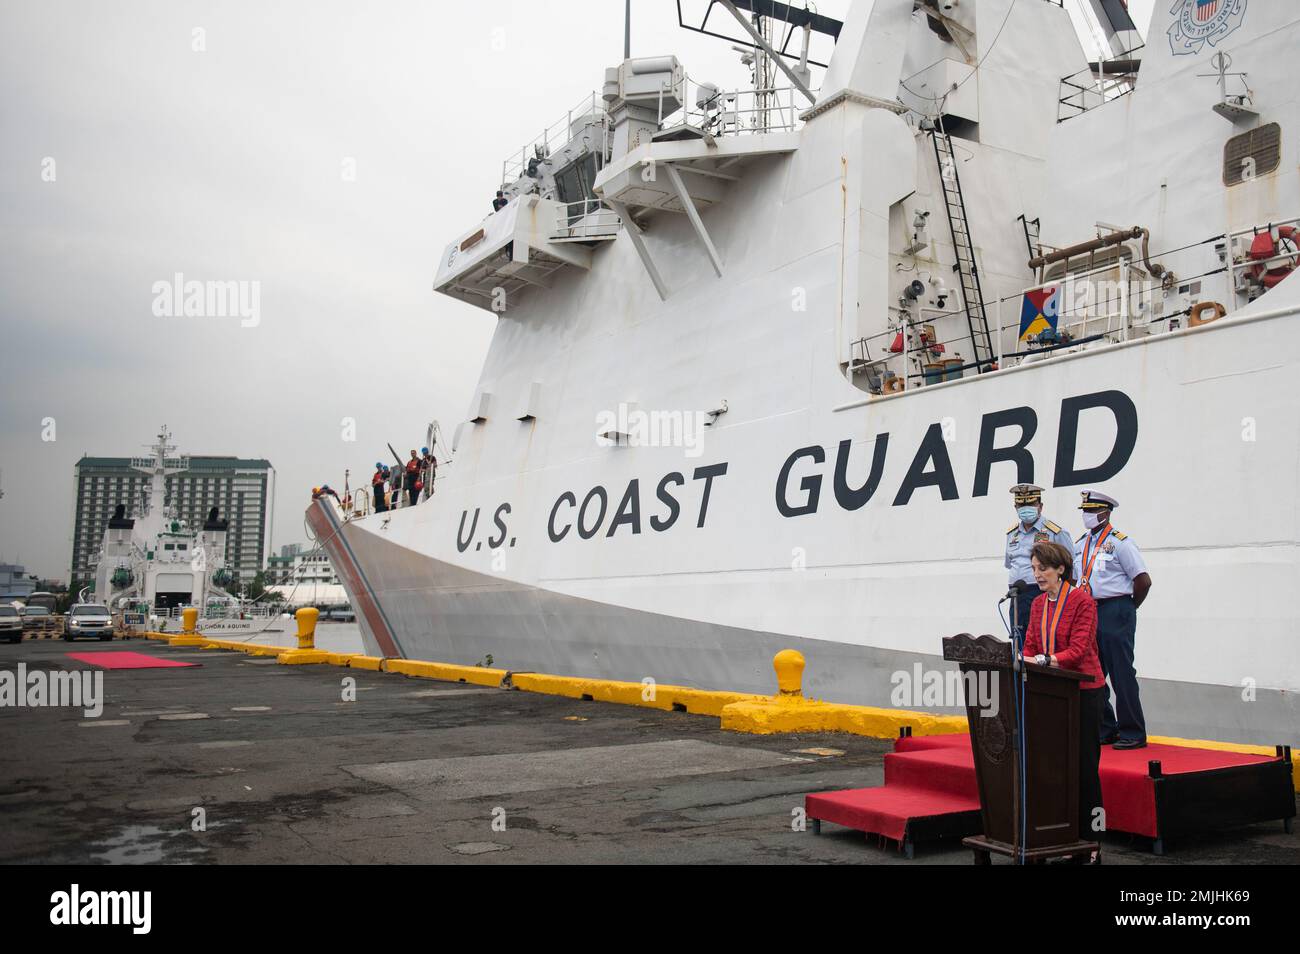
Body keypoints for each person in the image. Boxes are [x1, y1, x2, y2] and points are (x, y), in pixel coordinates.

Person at [1023, 541, 1105, 858]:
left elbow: (1079, 651)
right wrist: (1024, 658)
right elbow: (1030, 643)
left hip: (1084, 693)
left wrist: (1045, 660)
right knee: (1056, 768)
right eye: (1033, 569)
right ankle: (1065, 836)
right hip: (1051, 694)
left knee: (1085, 767)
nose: (1037, 574)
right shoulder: (1037, 604)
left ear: (1060, 569)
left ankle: (1093, 838)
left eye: (1042, 568)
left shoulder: (1083, 602)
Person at [1074, 489, 1152, 750]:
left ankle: (1133, 731)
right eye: (1084, 511)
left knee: (1121, 673)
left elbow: (1143, 581)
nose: (1087, 516)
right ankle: (1107, 727)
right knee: (1092, 673)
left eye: (1092, 511)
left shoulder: (1121, 542)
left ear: (1105, 513)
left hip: (1116, 608)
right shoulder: (1081, 544)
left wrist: (1127, 609)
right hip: (1090, 610)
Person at [1004, 483, 1073, 648]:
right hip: (1017, 594)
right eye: (1021, 505)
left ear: (1040, 506)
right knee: (1018, 639)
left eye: (1031, 504)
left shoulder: (1054, 532)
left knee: (1042, 640)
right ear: (1016, 507)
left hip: (1042, 592)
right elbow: (1009, 563)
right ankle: (1020, 672)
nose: (1025, 508)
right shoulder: (1011, 534)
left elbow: (1070, 567)